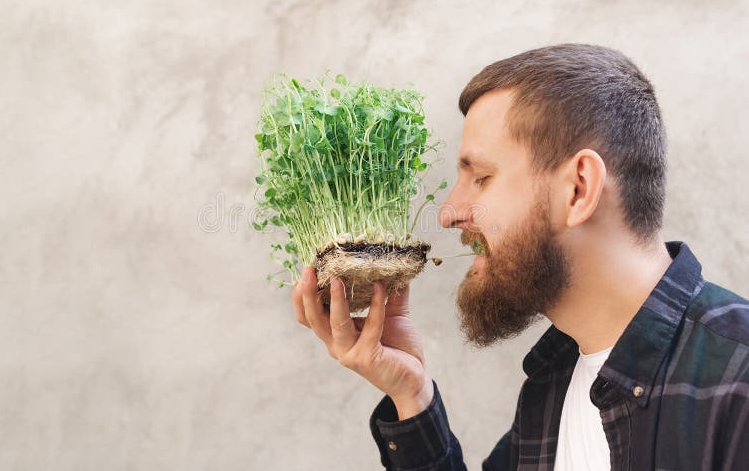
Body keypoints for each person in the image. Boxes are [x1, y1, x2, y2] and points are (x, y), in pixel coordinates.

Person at [291, 44, 749, 470]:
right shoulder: (552, 384)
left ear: (578, 189)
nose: (449, 213)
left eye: (481, 177)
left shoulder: (737, 385)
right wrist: (410, 394)